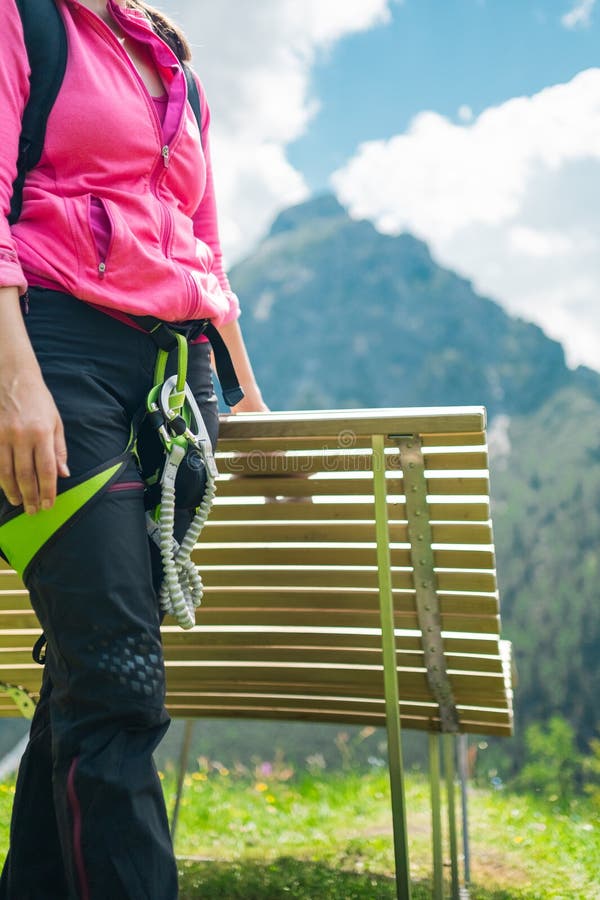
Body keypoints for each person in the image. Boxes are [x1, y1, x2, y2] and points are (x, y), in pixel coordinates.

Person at [0, 1, 266, 897]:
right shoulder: (23, 18)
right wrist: (15, 381)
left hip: (176, 379)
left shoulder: (171, 58)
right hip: (54, 356)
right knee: (117, 681)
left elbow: (204, 244)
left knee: (93, 672)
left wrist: (245, 393)